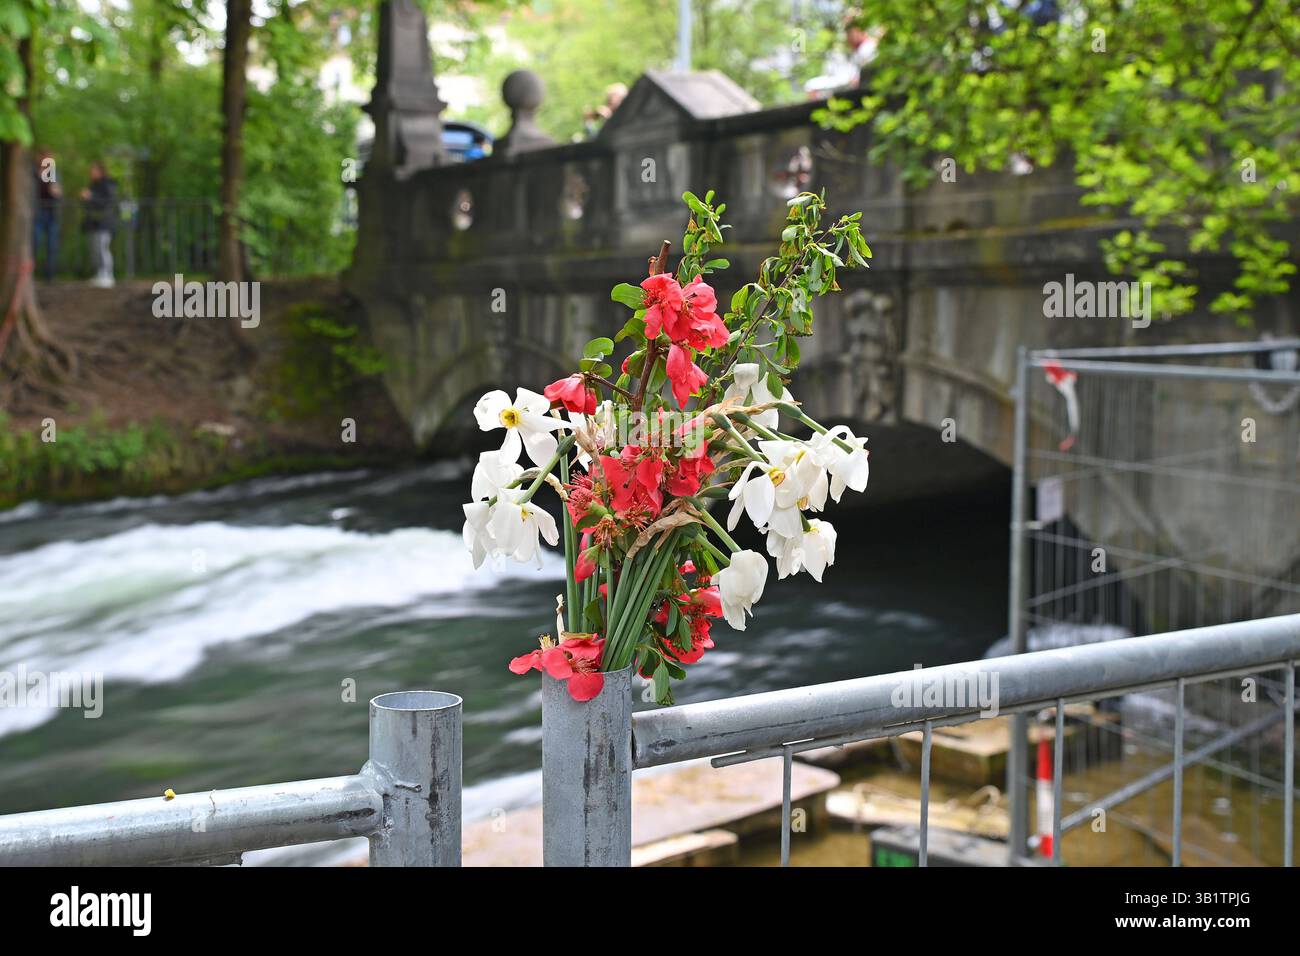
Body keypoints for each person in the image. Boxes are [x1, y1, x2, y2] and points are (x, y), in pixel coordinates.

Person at [80, 160, 118, 288]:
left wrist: (91, 197)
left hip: (104, 223)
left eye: (93, 170)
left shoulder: (108, 184)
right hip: (93, 223)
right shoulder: (92, 185)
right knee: (95, 250)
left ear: (100, 171)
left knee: (103, 248)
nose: (91, 173)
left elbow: (106, 202)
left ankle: (108, 275)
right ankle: (99, 273)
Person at [32, 148, 62, 281]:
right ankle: (30, 273)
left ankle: (49, 276)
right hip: (37, 213)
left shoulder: (55, 174)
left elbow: (59, 194)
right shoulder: (32, 173)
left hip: (52, 214)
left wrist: (56, 191)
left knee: (52, 245)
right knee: (35, 243)